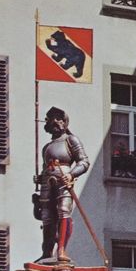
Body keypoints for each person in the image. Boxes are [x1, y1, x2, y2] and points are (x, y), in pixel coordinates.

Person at [35, 107, 89, 263]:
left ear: (65, 122)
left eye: (59, 118)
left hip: (63, 180)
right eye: (52, 118)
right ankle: (47, 251)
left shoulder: (71, 140)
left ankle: (62, 250)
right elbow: (46, 167)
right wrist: (40, 178)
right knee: (47, 216)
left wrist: (71, 174)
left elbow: (84, 162)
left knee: (63, 211)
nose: (56, 121)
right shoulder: (47, 147)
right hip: (47, 182)